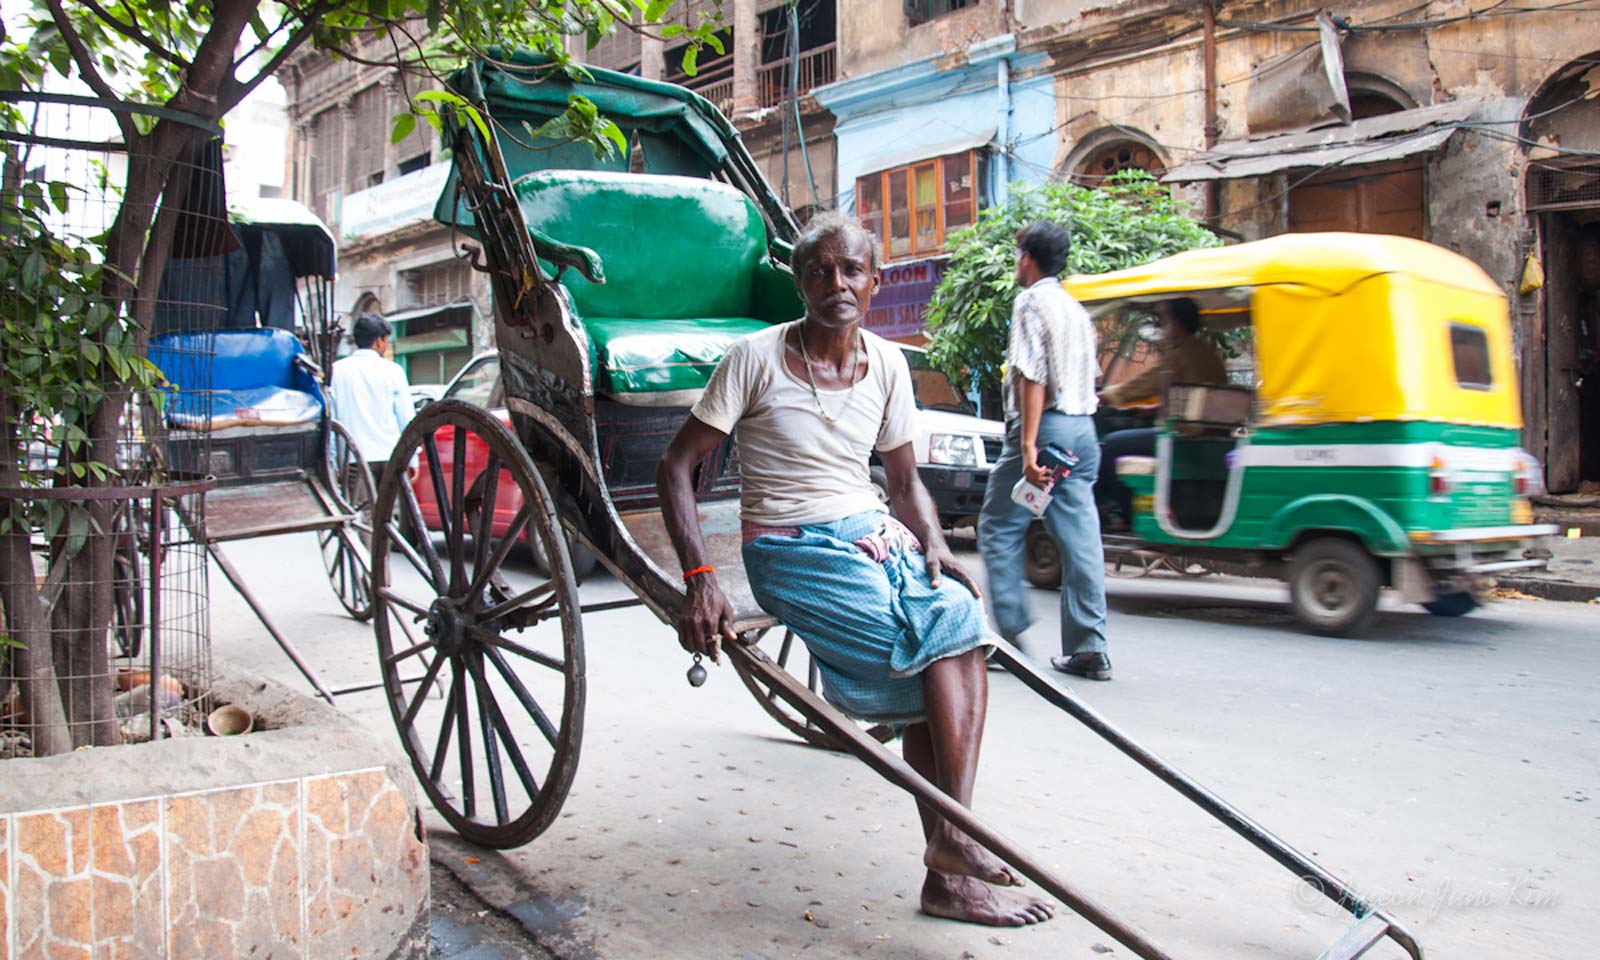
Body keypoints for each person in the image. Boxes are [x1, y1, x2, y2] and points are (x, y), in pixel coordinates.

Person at [655, 214, 1056, 928]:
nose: (835, 284)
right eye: (819, 271)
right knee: (926, 659)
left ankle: (949, 860)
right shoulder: (755, 358)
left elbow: (905, 486)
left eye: (851, 271)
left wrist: (935, 543)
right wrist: (699, 576)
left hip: (875, 534)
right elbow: (676, 466)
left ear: (877, 280)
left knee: (961, 624)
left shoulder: (891, 364)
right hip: (789, 546)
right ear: (799, 281)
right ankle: (954, 851)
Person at [976, 221, 1111, 681]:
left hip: (1046, 429)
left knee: (998, 525)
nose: (1017, 264)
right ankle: (1089, 646)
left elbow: (1031, 376)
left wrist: (1030, 445)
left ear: (1029, 259)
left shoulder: (1030, 301)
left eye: (1018, 256)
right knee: (1080, 538)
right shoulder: (1075, 310)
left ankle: (1008, 636)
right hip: (1083, 431)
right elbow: (1090, 375)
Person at [1096, 298, 1227, 527]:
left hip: (1183, 437)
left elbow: (1142, 384)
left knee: (1111, 444)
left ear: (1175, 323)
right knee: (1130, 432)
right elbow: (1196, 394)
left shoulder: (1181, 353)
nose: (1160, 329)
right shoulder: (1205, 351)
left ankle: (1118, 512)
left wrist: (1104, 396)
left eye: (1162, 321)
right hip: (1205, 434)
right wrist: (1153, 409)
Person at [328, 312, 414, 481]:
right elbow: (406, 419)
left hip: (353, 459)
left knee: (358, 508)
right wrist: (413, 459)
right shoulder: (393, 371)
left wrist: (332, 462)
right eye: (386, 341)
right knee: (391, 508)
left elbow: (331, 423)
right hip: (390, 456)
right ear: (378, 341)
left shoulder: (336, 371)